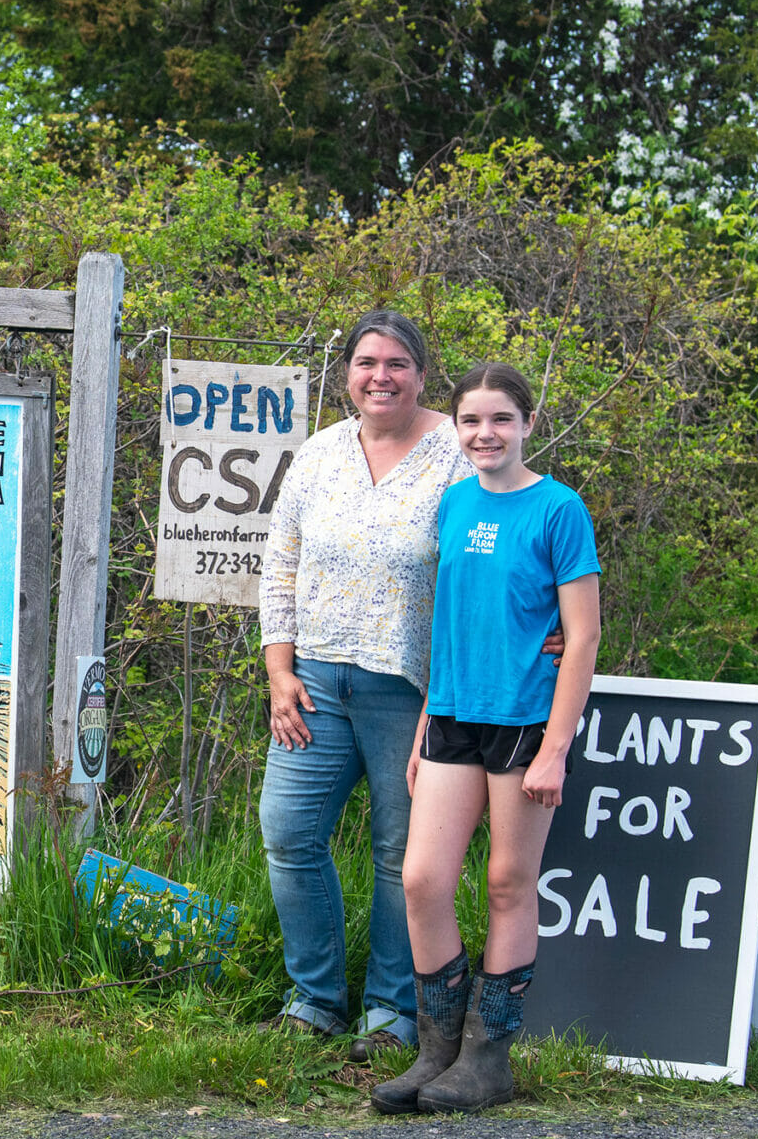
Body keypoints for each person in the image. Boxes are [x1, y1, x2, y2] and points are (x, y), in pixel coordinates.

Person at [373, 362, 600, 1115]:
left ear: (528, 423)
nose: (485, 434)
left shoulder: (560, 509)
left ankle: (487, 1059)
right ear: (457, 427)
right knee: (422, 879)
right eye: (472, 420)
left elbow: (584, 633)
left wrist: (555, 748)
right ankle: (436, 1052)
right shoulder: (455, 502)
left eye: (501, 419)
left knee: (508, 880)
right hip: (452, 717)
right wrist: (425, 723)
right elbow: (449, 622)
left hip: (525, 721)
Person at [255, 309, 476, 1057]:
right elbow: (279, 562)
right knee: (288, 832)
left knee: (400, 854)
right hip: (314, 680)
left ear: (421, 373)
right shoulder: (319, 454)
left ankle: (391, 1010)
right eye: (366, 362)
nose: (380, 376)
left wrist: (550, 616)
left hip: (412, 689)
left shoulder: (457, 452)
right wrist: (279, 670)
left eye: (397, 364)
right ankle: (314, 997)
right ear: (347, 372)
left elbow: (505, 542)